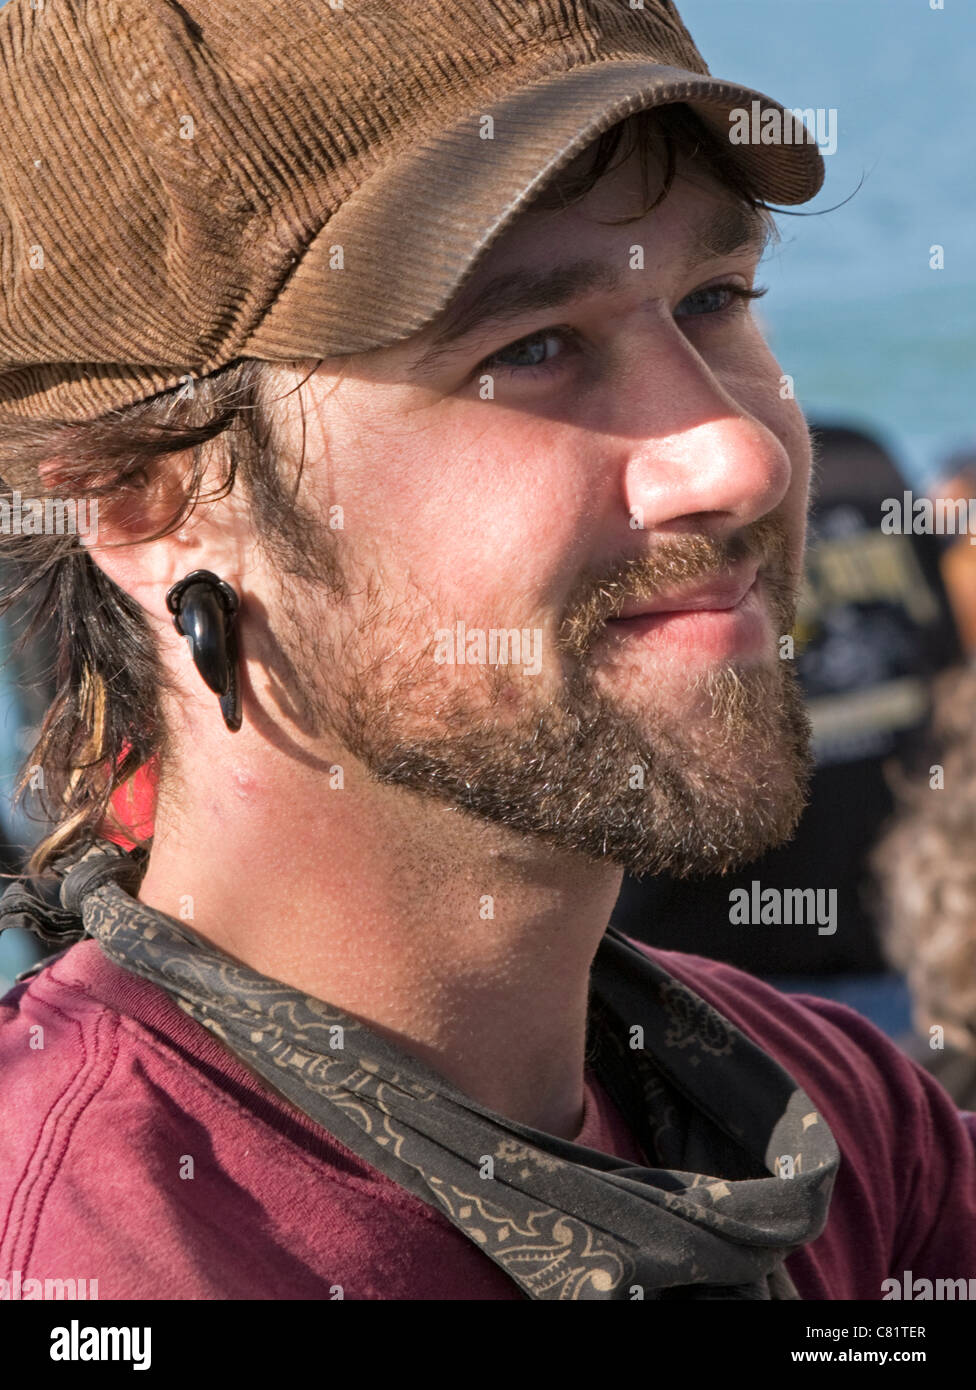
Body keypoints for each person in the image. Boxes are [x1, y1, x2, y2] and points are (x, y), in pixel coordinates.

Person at [0, 0, 974, 1303]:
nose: (738, 456)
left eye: (717, 297)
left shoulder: (838, 1119)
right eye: (534, 346)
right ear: (142, 497)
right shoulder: (104, 1258)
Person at [612, 422, 963, 1032]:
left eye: (707, 318)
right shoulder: (862, 460)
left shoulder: (855, 463)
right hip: (862, 954)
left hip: (742, 976)